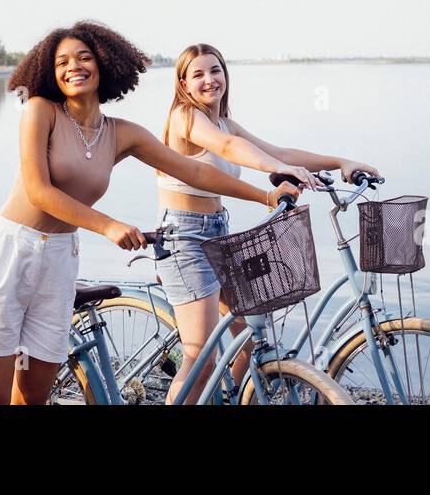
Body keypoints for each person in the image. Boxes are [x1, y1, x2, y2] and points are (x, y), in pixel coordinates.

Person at [0, 20, 301, 405]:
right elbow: (39, 191)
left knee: (34, 393)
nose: (74, 67)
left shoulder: (121, 132)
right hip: (10, 251)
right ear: (50, 73)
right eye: (62, 62)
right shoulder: (41, 111)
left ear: (104, 63)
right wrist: (108, 225)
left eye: (84, 58)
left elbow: (197, 171)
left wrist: (265, 197)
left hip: (59, 257)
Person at [156, 42, 380, 404]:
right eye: (197, 74)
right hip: (184, 238)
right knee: (200, 356)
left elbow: (279, 153)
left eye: (216, 70)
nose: (210, 79)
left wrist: (339, 162)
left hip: (218, 232)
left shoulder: (222, 120)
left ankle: (230, 397)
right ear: (183, 84)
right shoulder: (185, 116)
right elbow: (228, 147)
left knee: (252, 334)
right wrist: (277, 173)